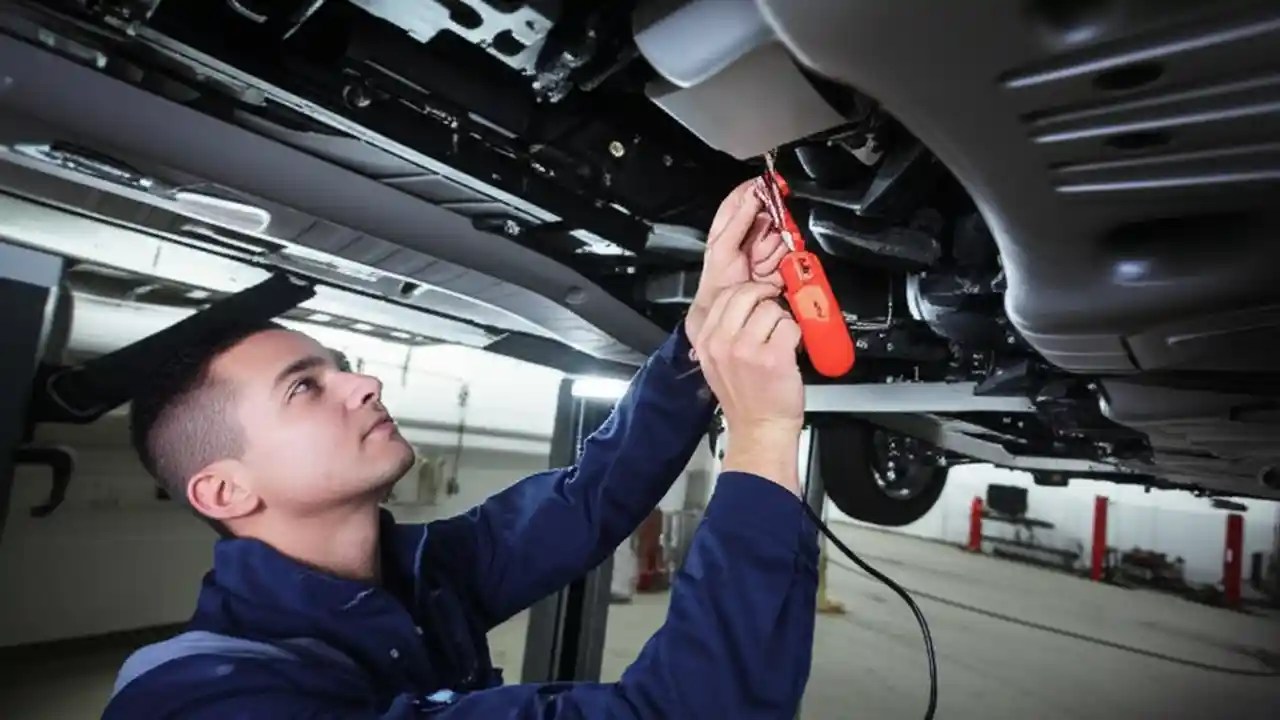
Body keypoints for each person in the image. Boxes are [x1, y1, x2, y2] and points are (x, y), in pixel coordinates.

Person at [103, 180, 819, 719]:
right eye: (304, 388)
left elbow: (588, 499)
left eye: (340, 364)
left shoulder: (410, 576)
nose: (364, 382)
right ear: (223, 490)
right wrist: (760, 440)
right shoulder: (206, 701)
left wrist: (705, 326)